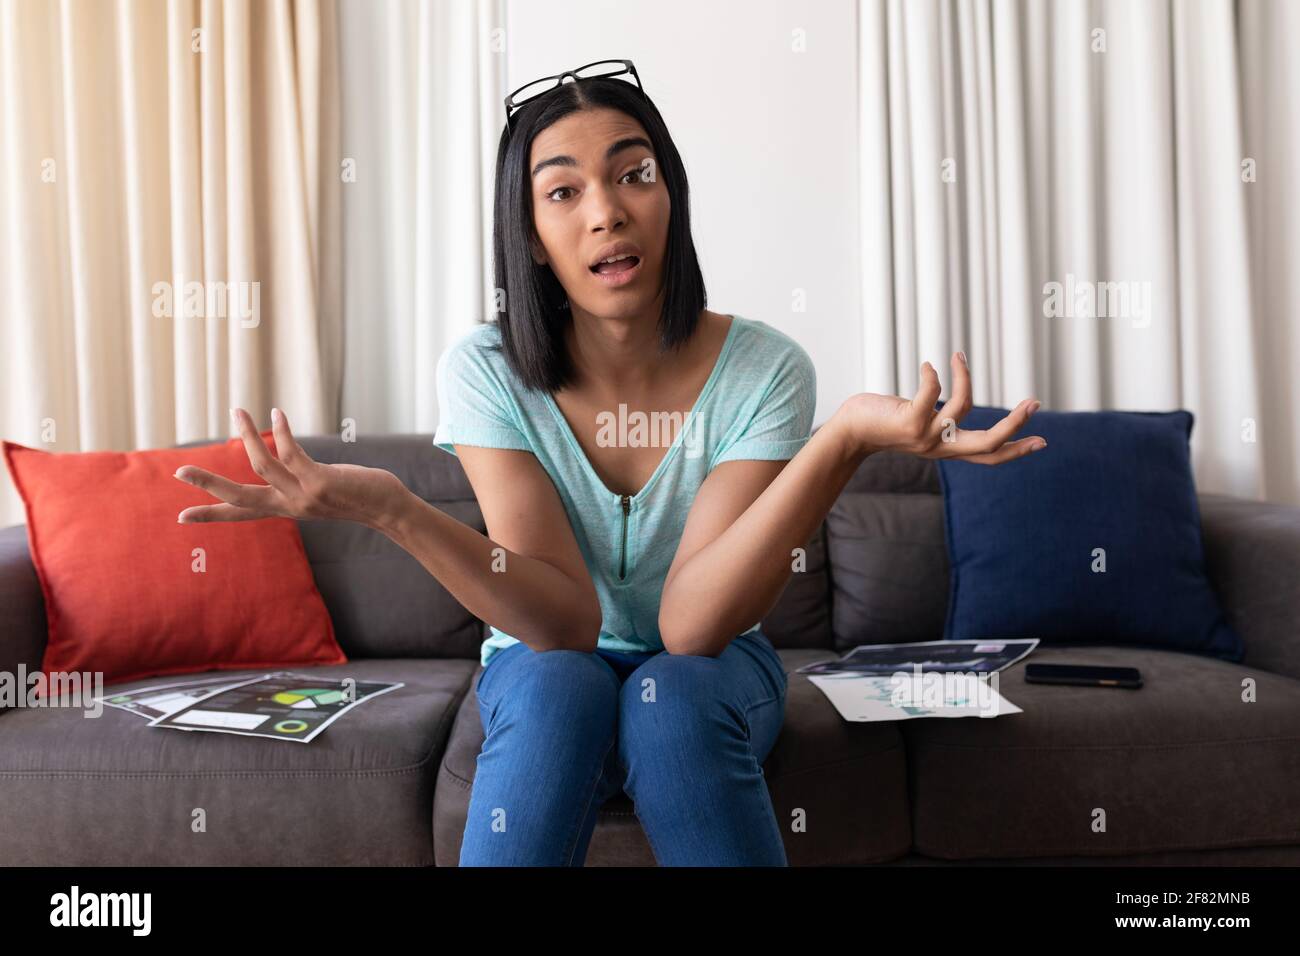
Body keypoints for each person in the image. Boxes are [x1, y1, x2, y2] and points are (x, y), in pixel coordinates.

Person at [172, 61, 1046, 867]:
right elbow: (561, 621)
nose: (607, 210)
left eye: (635, 174)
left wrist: (846, 437)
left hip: (713, 672)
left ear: (672, 196)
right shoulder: (487, 369)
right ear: (533, 235)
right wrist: (394, 509)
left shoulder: (765, 370)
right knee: (558, 687)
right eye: (564, 191)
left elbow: (692, 628)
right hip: (544, 661)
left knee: (673, 698)